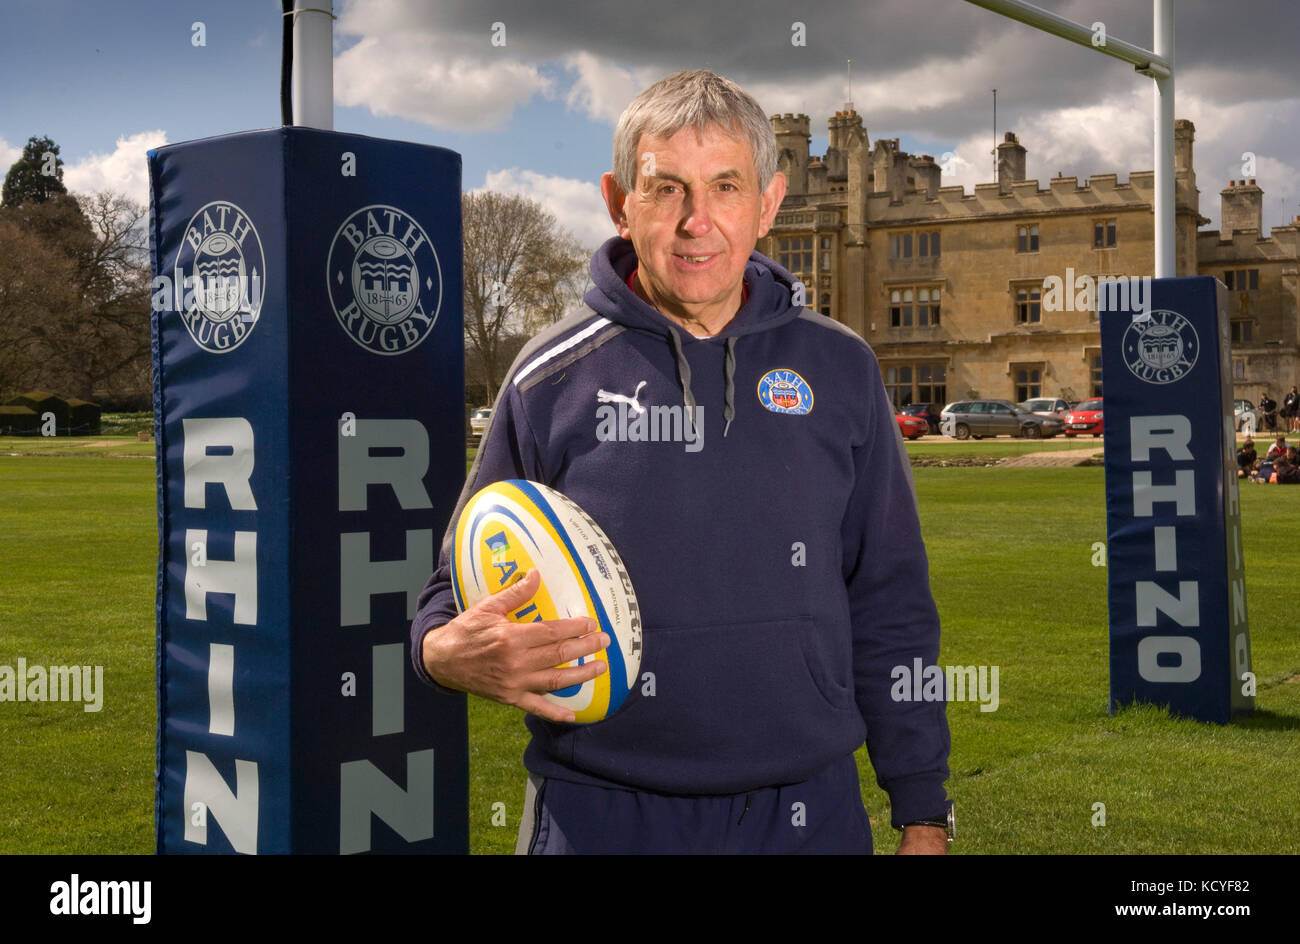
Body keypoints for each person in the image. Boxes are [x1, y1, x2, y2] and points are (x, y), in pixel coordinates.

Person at [409, 69, 951, 854]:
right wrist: (442, 654)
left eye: (725, 187)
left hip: (806, 815)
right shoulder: (549, 376)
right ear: (619, 202)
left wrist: (923, 810)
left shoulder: (841, 368)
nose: (698, 223)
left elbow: (891, 599)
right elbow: (446, 596)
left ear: (768, 203)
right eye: (667, 189)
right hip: (599, 813)